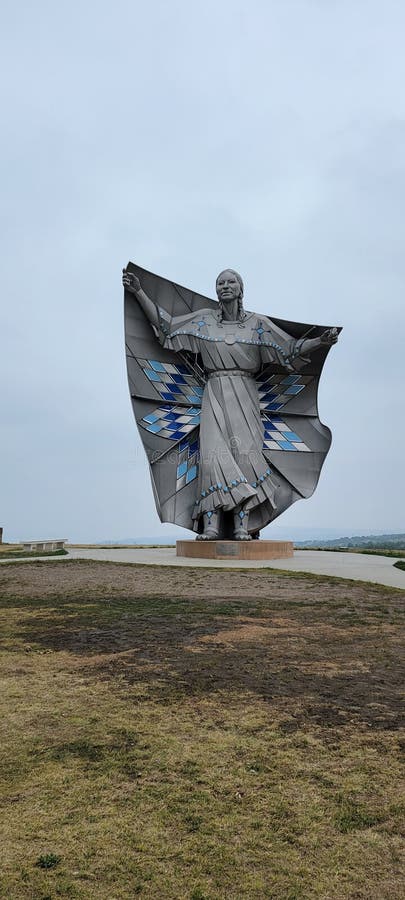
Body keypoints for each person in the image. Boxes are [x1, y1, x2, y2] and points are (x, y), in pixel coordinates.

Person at [123, 268, 337, 540]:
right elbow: (167, 328)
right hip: (213, 392)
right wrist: (138, 292)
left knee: (245, 456)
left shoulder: (257, 325)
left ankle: (241, 525)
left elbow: (290, 349)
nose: (225, 286)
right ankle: (210, 525)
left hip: (246, 394)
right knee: (212, 459)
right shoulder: (203, 322)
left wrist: (320, 341)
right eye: (220, 282)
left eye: (231, 282)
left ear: (240, 288)